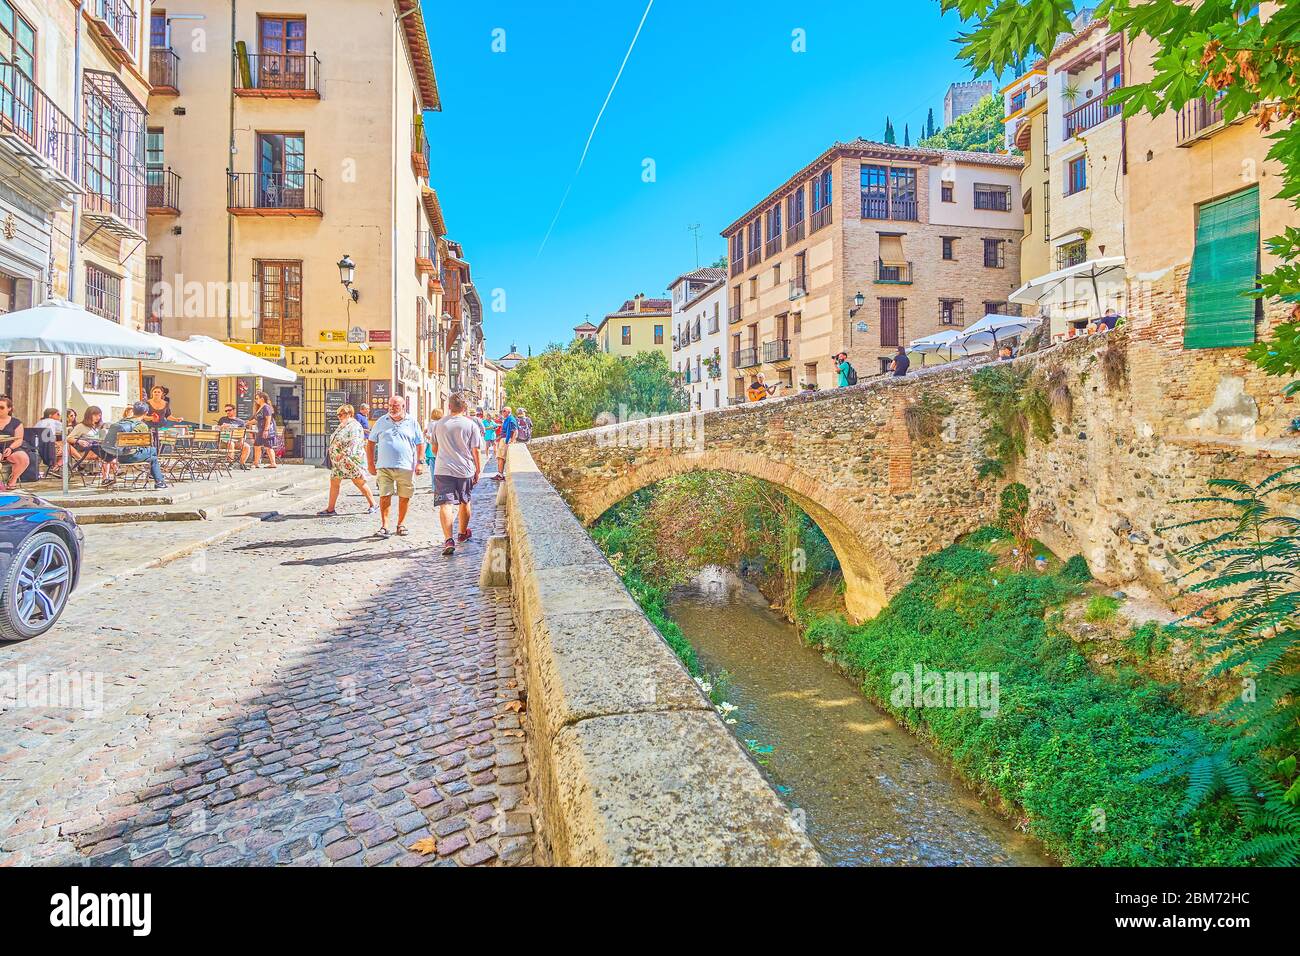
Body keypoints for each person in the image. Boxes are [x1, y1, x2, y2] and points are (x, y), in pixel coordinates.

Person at [430, 391, 483, 556]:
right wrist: (478, 470)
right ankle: (461, 533)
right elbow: (476, 451)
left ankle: (448, 539)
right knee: (464, 501)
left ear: (449, 406)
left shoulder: (439, 424)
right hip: (464, 469)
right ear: (465, 407)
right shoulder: (470, 425)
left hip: (443, 469)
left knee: (445, 504)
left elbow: (434, 448)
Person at [367, 395, 425, 538]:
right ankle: (385, 526)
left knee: (404, 496)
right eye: (390, 405)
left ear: (403, 407)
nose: (391, 408)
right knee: (384, 495)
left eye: (395, 406)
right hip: (384, 466)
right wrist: (370, 464)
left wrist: (420, 462)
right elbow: (370, 443)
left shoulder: (412, 422)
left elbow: (420, 443)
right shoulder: (381, 421)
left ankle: (401, 524)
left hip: (406, 466)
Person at [318, 404, 376, 517]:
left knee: (358, 481)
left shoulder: (354, 426)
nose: (339, 416)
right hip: (338, 462)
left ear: (349, 414)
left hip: (351, 460)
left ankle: (373, 504)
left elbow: (355, 441)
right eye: (338, 415)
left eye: (341, 414)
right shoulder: (342, 425)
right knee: (334, 482)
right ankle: (330, 509)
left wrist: (344, 453)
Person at [102, 402, 168, 490]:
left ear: (133, 411)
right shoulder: (142, 425)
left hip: (119, 457)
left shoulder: (121, 422)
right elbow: (148, 443)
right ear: (146, 412)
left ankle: (155, 475)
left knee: (152, 453)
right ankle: (159, 481)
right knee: (153, 453)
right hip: (133, 456)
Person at [0, 397, 33, 490]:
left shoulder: (16, 422)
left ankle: (12, 480)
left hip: (11, 447)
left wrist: (10, 448)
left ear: (9, 409)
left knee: (23, 459)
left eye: (2, 407)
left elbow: (19, 439)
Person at [68, 407, 107, 474]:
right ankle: (111, 474)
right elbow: (68, 438)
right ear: (89, 415)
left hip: (96, 450)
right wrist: (79, 441)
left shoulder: (99, 427)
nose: (98, 417)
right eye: (95, 415)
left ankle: (108, 475)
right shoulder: (80, 426)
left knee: (107, 452)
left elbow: (101, 440)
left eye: (99, 415)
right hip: (85, 451)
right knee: (106, 453)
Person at [248, 390, 278, 469]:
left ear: (262, 398)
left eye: (257, 398)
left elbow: (268, 419)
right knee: (257, 445)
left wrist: (266, 430)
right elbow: (257, 419)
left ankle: (273, 463)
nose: (255, 400)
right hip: (261, 430)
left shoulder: (266, 407)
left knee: (268, 447)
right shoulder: (260, 407)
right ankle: (256, 462)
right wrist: (247, 423)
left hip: (265, 430)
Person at [216, 404, 252, 469]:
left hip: (237, 441)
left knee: (247, 446)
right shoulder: (222, 419)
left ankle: (242, 463)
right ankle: (231, 463)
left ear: (234, 410)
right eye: (226, 411)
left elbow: (243, 434)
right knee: (231, 443)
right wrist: (221, 427)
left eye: (229, 410)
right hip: (224, 441)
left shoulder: (241, 422)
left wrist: (242, 440)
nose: (227, 412)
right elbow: (216, 430)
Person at [494, 406, 518, 481]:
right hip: (504, 439)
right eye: (502, 411)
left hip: (506, 440)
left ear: (508, 412)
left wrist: (512, 441)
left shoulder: (511, 419)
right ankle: (500, 474)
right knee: (500, 457)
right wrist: (499, 437)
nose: (502, 412)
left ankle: (500, 475)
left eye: (504, 411)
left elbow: (515, 431)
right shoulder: (508, 419)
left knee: (500, 457)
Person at [424, 407, 443, 491]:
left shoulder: (431, 424)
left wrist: (425, 434)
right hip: (442, 449)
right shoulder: (443, 423)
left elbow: (429, 436)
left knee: (433, 470)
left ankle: (434, 487)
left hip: (432, 449)